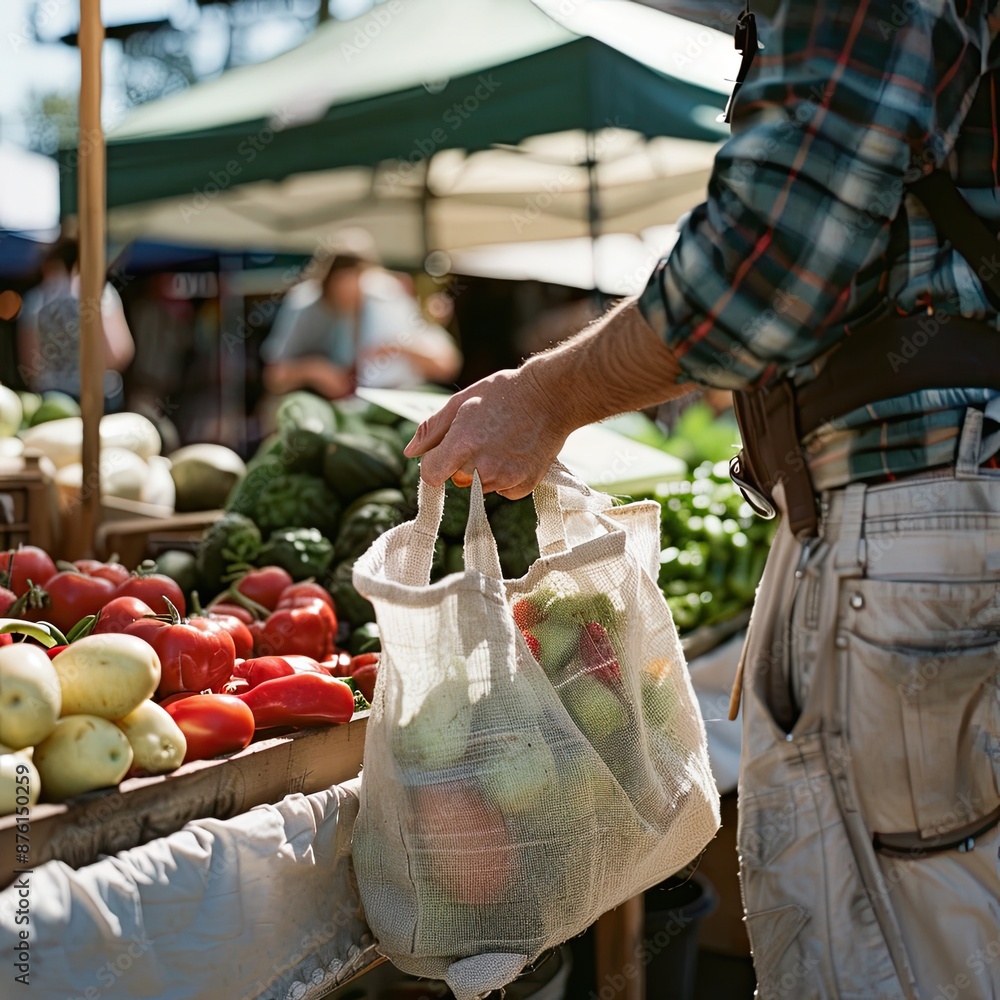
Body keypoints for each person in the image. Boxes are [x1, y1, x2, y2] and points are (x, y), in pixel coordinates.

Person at [404, 3, 1000, 997]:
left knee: (887, 965)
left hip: (912, 503)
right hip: (932, 505)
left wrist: (547, 395)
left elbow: (761, 269)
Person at [261, 231, 461, 399]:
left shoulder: (384, 300)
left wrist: (400, 348)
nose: (350, 288)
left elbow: (446, 364)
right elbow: (274, 377)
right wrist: (315, 371)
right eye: (341, 279)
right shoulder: (305, 306)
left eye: (357, 276)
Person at [17, 238, 135, 411]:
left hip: (52, 400)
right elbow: (117, 354)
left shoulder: (34, 301)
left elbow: (29, 365)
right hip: (100, 396)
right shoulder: (102, 295)